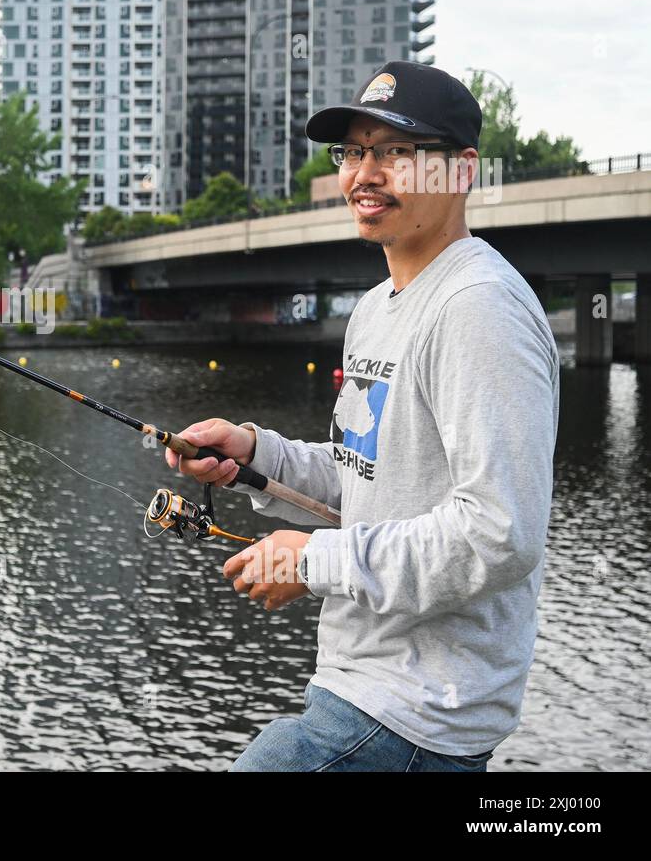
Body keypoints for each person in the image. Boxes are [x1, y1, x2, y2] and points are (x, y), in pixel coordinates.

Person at [166, 61, 559, 772]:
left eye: (395, 152)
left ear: (460, 171)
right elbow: (364, 477)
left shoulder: (479, 308)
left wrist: (311, 560)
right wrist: (256, 456)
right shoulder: (375, 310)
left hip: (418, 715)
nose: (363, 173)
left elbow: (501, 534)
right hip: (356, 688)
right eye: (353, 152)